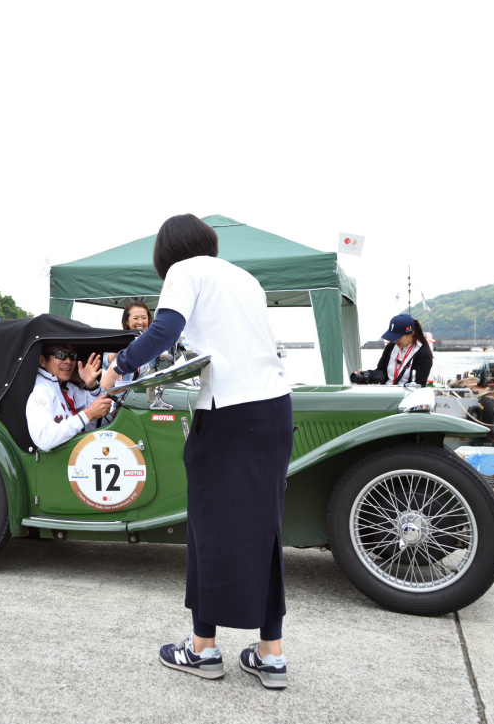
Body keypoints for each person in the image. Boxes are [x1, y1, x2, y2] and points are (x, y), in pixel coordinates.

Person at [100, 213, 293, 690]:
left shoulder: (184, 271)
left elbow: (164, 330)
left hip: (227, 412)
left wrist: (117, 367)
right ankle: (271, 655)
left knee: (208, 526)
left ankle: (202, 648)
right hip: (275, 407)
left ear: (166, 251)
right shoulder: (245, 278)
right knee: (265, 527)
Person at [25, 342, 113, 451]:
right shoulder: (40, 390)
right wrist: (88, 414)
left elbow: (99, 413)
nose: (68, 361)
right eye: (61, 355)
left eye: (72, 356)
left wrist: (92, 385)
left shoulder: (65, 386)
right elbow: (44, 438)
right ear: (42, 360)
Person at [354, 313, 433, 386]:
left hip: (405, 395)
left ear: (412, 333)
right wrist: (366, 375)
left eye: (398, 337)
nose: (395, 340)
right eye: (393, 337)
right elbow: (380, 372)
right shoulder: (391, 347)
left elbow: (418, 385)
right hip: (386, 394)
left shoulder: (423, 355)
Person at [103, 301, 157, 381]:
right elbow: (106, 363)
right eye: (135, 318)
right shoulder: (119, 341)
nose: (140, 322)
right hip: (125, 388)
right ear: (127, 321)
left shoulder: (155, 342)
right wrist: (123, 345)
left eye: (144, 318)